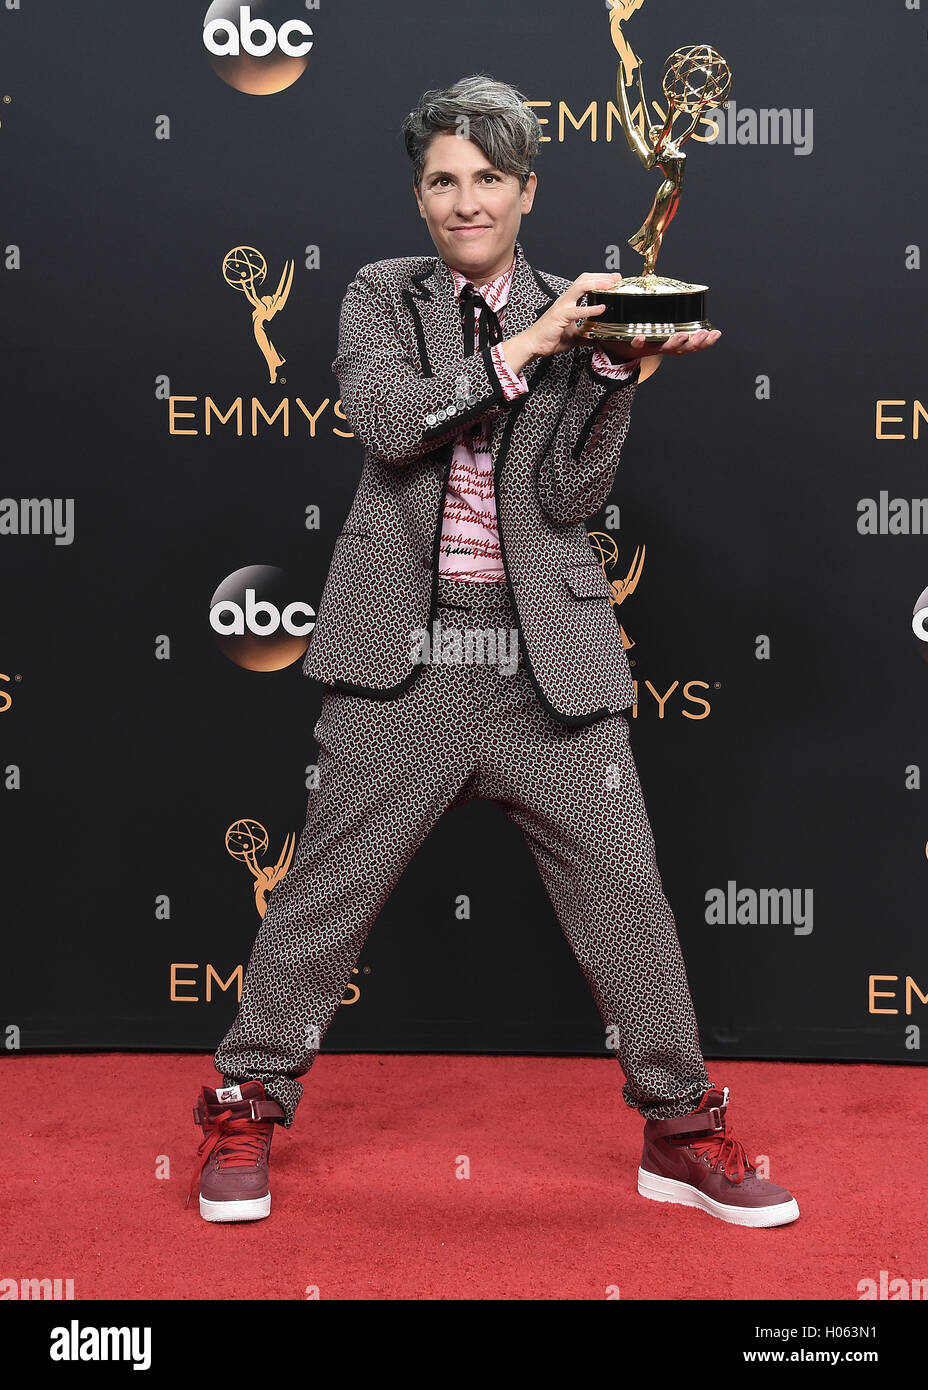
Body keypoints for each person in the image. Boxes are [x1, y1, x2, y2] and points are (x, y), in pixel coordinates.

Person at [187, 75, 799, 1231]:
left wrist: (609, 377)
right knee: (324, 893)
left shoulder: (581, 309)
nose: (463, 201)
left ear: (526, 188)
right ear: (420, 196)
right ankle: (246, 1099)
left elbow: (567, 492)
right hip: (398, 659)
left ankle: (679, 1125)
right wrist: (534, 342)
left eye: (486, 179)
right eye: (440, 181)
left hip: (544, 658)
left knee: (628, 898)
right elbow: (387, 423)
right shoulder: (383, 295)